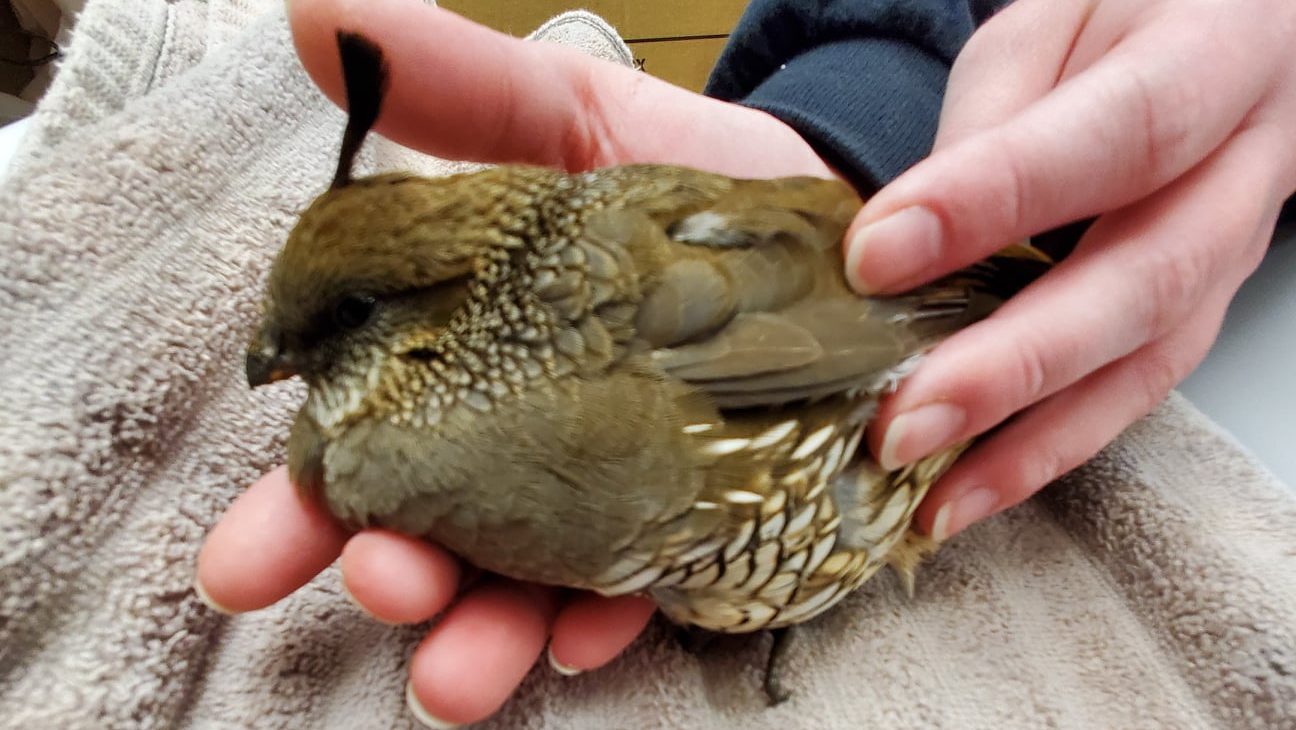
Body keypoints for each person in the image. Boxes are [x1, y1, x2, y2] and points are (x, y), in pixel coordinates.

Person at [195, 0, 1296, 725]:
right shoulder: (424, 408)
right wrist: (872, 125)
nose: (275, 364)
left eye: (340, 322)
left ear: (434, 306)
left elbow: (939, 312)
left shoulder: (663, 332)